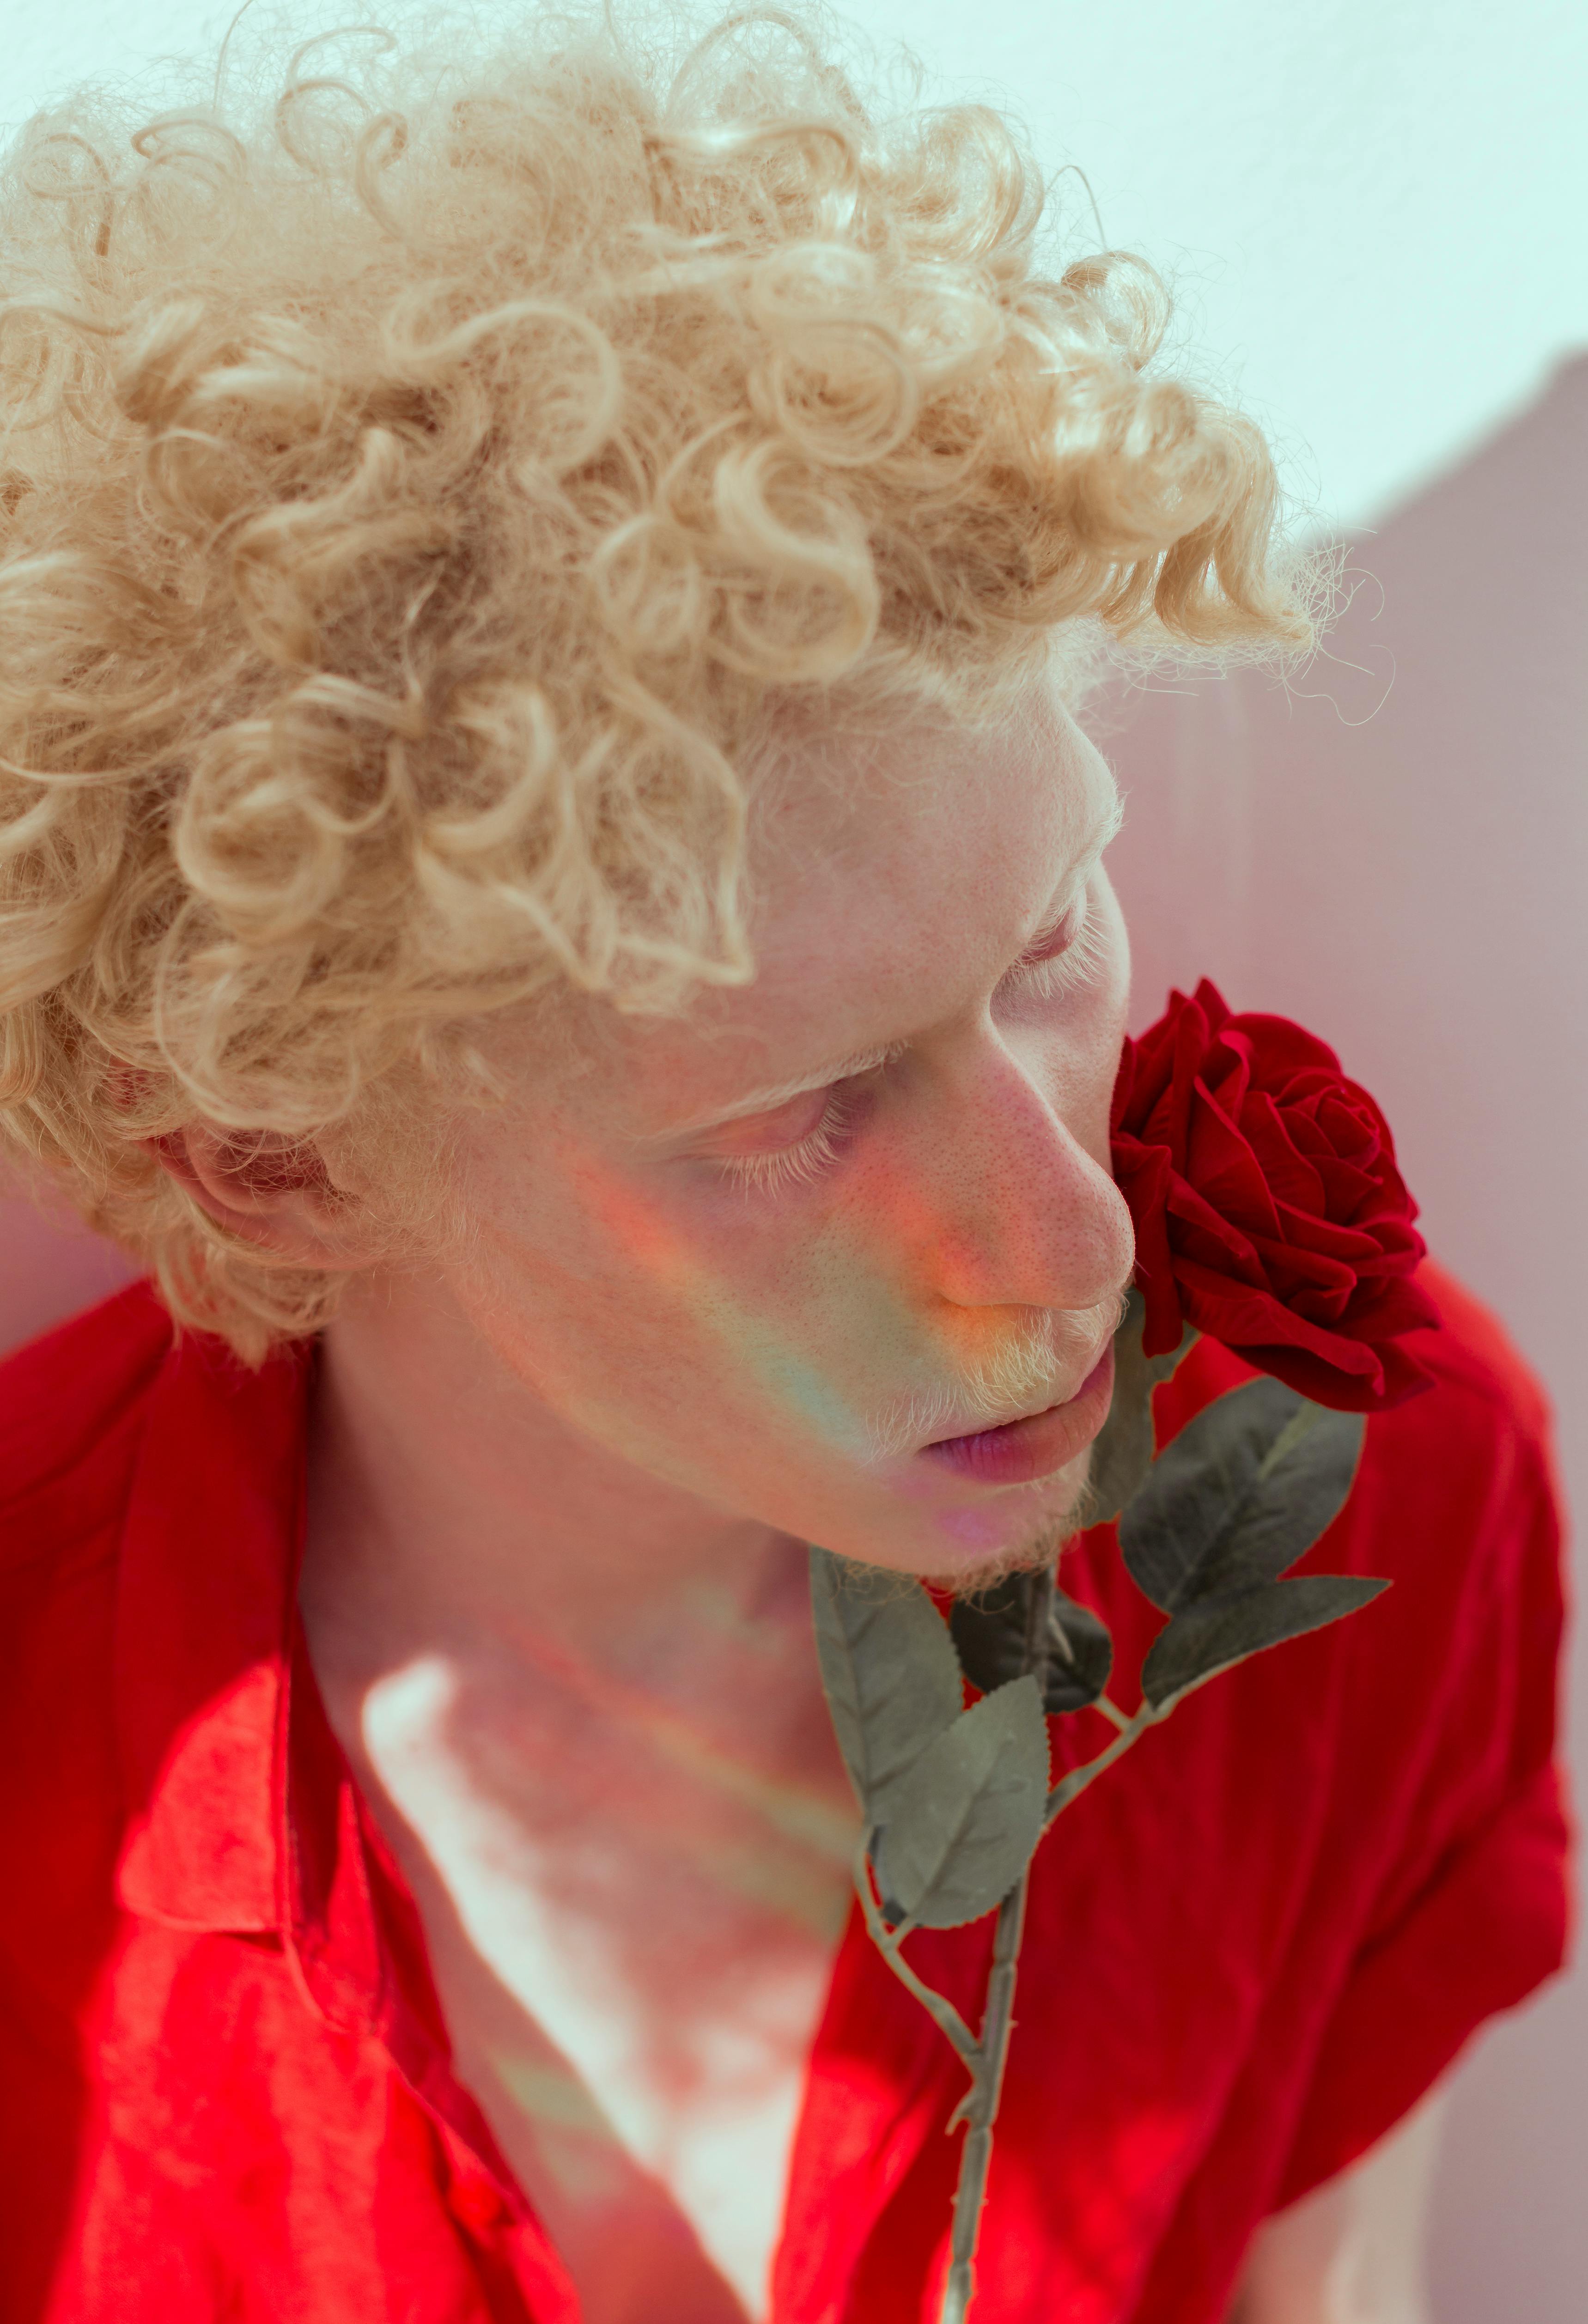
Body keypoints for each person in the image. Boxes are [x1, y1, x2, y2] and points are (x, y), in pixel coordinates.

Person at [0, 6, 1570, 2320]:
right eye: (794, 1117)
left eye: (1048, 941)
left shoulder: (1364, 1491)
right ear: (276, 1167)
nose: (1071, 1243)